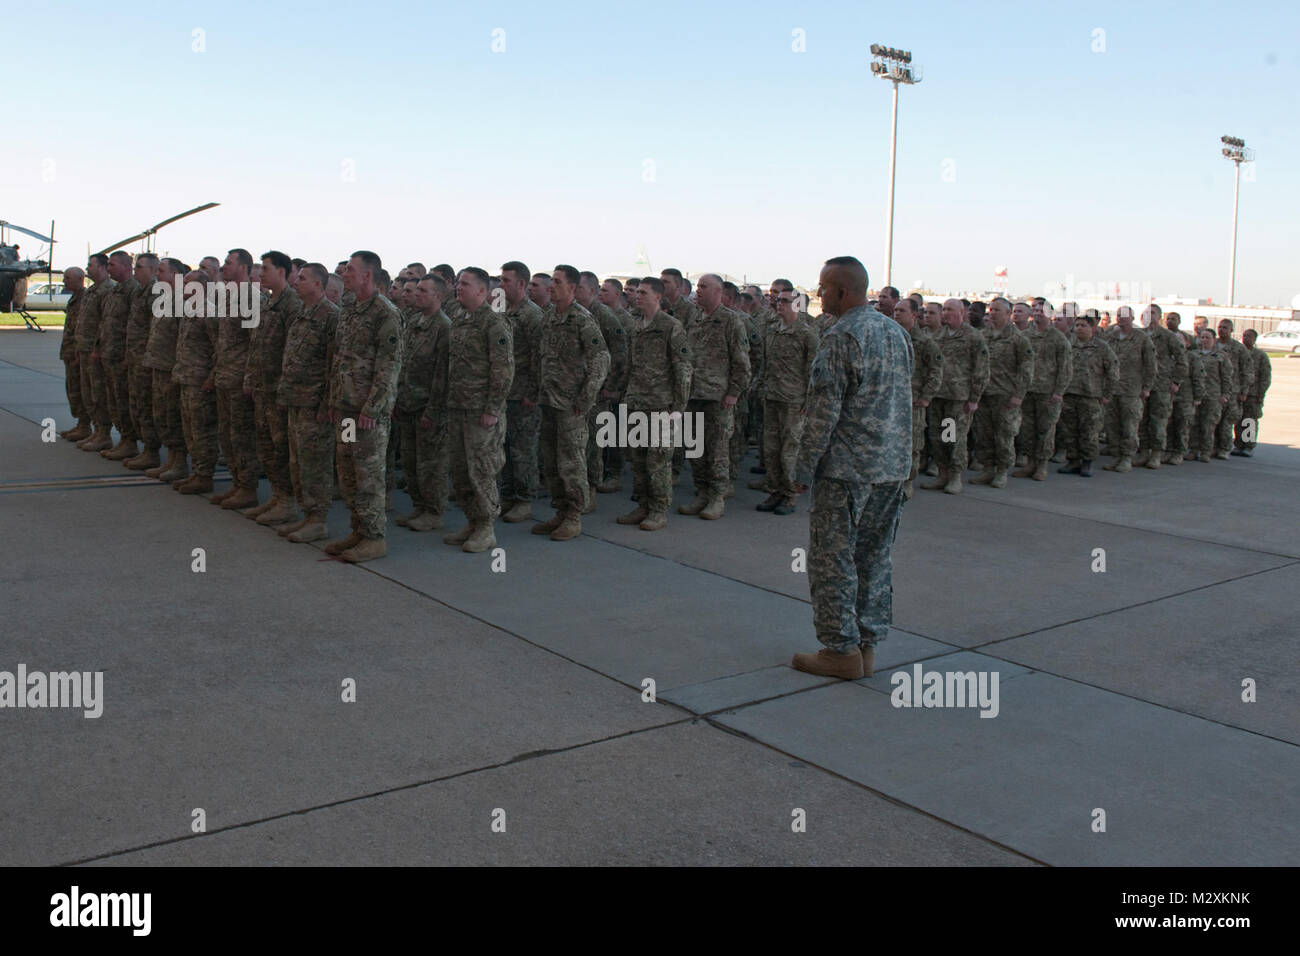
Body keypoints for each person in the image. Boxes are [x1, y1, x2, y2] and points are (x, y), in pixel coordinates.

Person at [790, 256, 911, 681]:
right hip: (890, 467)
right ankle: (866, 645)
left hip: (847, 471)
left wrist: (802, 469)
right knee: (874, 559)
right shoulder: (896, 333)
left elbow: (824, 412)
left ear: (842, 292)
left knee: (832, 561)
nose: (818, 294)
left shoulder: (842, 335)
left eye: (823, 288)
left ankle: (839, 650)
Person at [324, 251, 403, 563]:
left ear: (368, 275)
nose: (344, 273)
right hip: (345, 408)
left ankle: (374, 537)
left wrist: (372, 407)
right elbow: (339, 357)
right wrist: (334, 400)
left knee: (368, 475)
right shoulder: (349, 308)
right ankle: (358, 530)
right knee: (347, 473)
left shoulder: (386, 313)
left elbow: (389, 365)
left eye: (350, 270)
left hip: (367, 414)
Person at [530, 265, 609, 541]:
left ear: (572, 288)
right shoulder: (550, 317)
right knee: (550, 461)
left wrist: (586, 397)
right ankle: (560, 511)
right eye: (550, 281)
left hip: (571, 404)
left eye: (557, 282)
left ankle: (574, 515)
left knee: (571, 462)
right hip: (549, 400)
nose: (551, 286)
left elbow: (601, 358)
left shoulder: (582, 320)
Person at [442, 267, 515, 553]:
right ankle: (472, 521)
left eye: (465, 284)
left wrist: (493, 408)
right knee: (460, 471)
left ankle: (486, 528)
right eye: (458, 283)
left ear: (483, 291)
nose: (459, 288)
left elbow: (503, 369)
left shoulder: (494, 323)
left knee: (481, 471)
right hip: (458, 407)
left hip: (481, 412)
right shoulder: (459, 320)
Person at [616, 278, 692, 531]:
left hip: (662, 405)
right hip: (637, 401)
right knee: (637, 459)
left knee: (658, 461)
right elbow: (630, 364)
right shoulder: (636, 325)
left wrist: (679, 407)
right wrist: (623, 393)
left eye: (644, 293)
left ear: (658, 297)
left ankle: (659, 510)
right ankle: (643, 505)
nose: (638, 296)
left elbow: (682, 368)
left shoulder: (671, 327)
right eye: (636, 292)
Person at [275, 263, 339, 543]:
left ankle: (318, 520)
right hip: (295, 400)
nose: (296, 281)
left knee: (316, 464)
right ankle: (305, 514)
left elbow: (334, 365)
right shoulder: (302, 313)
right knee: (297, 462)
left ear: (317, 284)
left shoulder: (331, 316)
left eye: (302, 278)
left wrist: (327, 404)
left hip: (315, 404)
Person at [679, 273, 750, 519]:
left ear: (718, 292)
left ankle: (717, 498)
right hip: (693, 394)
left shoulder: (731, 321)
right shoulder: (694, 317)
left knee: (717, 449)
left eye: (704, 287)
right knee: (695, 448)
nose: (698, 291)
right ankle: (702, 492)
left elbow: (742, 362)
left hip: (718, 396)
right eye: (698, 287)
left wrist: (734, 392)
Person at [242, 251, 301, 526]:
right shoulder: (267, 303)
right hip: (263, 389)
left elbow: (294, 352)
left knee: (281, 449)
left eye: (265, 269)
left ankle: (287, 502)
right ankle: (277, 497)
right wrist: (252, 379)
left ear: (282, 271)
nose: (260, 273)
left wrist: (284, 390)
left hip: (279, 391)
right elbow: (256, 346)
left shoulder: (292, 305)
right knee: (266, 447)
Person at [393, 274, 452, 532]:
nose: (417, 294)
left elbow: (442, 374)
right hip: (407, 402)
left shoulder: (443, 327)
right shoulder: (415, 321)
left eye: (423, 291)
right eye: (416, 290)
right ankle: (419, 505)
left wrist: (434, 410)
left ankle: (434, 511)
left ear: (437, 296)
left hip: (428, 406)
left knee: (431, 464)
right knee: (410, 460)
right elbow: (403, 362)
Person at [754, 287, 819, 513]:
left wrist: (808, 403)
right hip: (771, 396)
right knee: (771, 449)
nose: (778, 304)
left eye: (785, 301)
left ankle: (789, 495)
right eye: (777, 301)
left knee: (789, 452)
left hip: (794, 401)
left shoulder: (807, 334)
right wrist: (760, 388)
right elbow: (764, 363)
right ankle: (775, 491)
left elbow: (813, 372)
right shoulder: (771, 330)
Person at [922, 298, 988, 494]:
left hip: (957, 398)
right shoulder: (938, 335)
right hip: (937, 395)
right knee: (937, 437)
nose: (945, 313)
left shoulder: (973, 337)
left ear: (961, 312)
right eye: (944, 309)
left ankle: (955, 475)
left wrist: (974, 398)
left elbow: (981, 369)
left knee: (952, 437)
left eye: (949, 309)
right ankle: (942, 473)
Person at [498, 261, 544, 523]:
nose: (501, 285)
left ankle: (524, 500)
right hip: (506, 393)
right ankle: (508, 497)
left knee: (523, 450)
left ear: (521, 284)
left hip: (524, 394)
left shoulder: (532, 315)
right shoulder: (504, 312)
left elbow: (541, 357)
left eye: (506, 280)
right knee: (505, 448)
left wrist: (533, 392)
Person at [971, 297, 1033, 488]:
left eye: (997, 310)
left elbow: (1026, 369)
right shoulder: (982, 336)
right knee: (984, 434)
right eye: (991, 310)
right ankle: (988, 468)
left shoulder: (1018, 339)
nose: (992, 313)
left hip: (1005, 395)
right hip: (984, 393)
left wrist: (1019, 395)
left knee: (1004, 435)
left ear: (1008, 313)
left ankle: (1002, 471)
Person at [141, 258, 190, 482]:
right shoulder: (164, 298)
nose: (157, 275)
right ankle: (170, 459)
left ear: (175, 275)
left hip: (172, 369)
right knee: (162, 415)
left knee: (173, 417)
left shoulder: (184, 301)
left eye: (161, 271)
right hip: (158, 366)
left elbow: (186, 339)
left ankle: (179, 462)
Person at [890, 296, 941, 499]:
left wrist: (927, 396)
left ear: (914, 314)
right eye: (895, 311)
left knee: (912, 442)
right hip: (891, 399)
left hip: (914, 400)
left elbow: (936, 370)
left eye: (901, 311)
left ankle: (908, 481)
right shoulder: (890, 336)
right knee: (891, 441)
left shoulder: (925, 342)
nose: (896, 314)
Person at [1016, 298, 1072, 480]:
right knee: (1028, 429)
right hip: (1027, 390)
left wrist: (1059, 391)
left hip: (1048, 392)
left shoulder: (1058, 338)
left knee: (1046, 430)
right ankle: (1030, 463)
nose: (1038, 313)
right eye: (1035, 310)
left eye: (1042, 310)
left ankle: (1042, 466)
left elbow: (1065, 367)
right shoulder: (1025, 336)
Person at [1057, 313, 1118, 477]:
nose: (1079, 328)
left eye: (1083, 325)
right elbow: (1059, 368)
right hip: (1069, 393)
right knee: (1070, 430)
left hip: (1091, 396)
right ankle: (1073, 460)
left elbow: (1113, 371)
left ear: (1093, 328)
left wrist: (1107, 394)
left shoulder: (1102, 347)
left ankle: (1087, 462)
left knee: (1089, 431)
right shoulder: (1068, 345)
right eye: (1077, 325)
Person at [1102, 306, 1155, 472]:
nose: (1121, 318)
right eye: (1118, 315)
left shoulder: (1142, 338)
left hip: (1132, 390)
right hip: (1111, 389)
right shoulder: (1110, 337)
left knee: (1129, 426)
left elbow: (1151, 365)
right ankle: (1116, 456)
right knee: (1112, 425)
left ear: (1132, 318)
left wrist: (1147, 387)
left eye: (1125, 316)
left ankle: (1126, 458)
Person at [1135, 304, 1187, 470]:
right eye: (1146, 313)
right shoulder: (1138, 335)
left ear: (1159, 317)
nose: (1149, 316)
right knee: (1141, 420)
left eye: (1153, 313)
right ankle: (1143, 452)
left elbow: (1182, 360)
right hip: (1140, 384)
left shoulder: (1167, 336)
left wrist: (1176, 381)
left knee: (1158, 420)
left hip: (1161, 384)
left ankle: (1156, 454)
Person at [58, 268, 90, 442]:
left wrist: (79, 350)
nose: (65, 282)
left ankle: (85, 425)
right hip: (70, 352)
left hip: (77, 353)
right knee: (72, 389)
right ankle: (81, 423)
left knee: (81, 389)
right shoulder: (75, 298)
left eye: (68, 278)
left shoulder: (85, 298)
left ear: (80, 279)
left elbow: (84, 327)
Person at [1234, 329, 1271, 455]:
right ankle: (1238, 444)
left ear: (1255, 339)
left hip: (1253, 394)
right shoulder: (1238, 352)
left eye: (1249, 336)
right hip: (1238, 392)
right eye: (1244, 336)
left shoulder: (1260, 355)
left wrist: (1261, 394)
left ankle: (1248, 446)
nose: (1246, 338)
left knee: (1249, 420)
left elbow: (1265, 377)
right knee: (1238, 419)